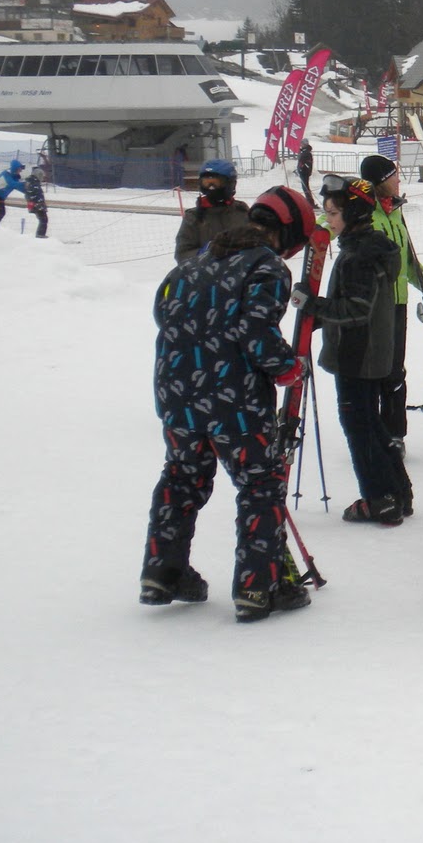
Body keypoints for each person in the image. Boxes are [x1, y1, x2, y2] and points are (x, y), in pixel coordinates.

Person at [141, 185, 316, 622]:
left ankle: (162, 574)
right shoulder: (266, 266)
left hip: (176, 394)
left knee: (182, 478)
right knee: (260, 485)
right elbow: (255, 330)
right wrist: (287, 368)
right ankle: (259, 587)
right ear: (287, 232)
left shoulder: (192, 263)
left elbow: (163, 313)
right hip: (233, 400)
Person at [293, 176, 407, 524]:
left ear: (353, 214)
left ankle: (380, 498)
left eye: (333, 213)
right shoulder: (367, 247)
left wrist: (313, 305)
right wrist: (320, 312)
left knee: (358, 426)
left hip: (357, 355)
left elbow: (356, 309)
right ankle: (398, 492)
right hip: (367, 352)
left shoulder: (359, 256)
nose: (328, 219)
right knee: (370, 422)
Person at [360, 153, 423, 495]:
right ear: (379, 182)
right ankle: (370, 431)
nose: (398, 180)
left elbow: (407, 261)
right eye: (393, 175)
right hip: (370, 306)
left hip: (397, 304)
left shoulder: (396, 211)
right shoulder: (364, 212)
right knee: (371, 371)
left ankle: (394, 434)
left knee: (395, 371)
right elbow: (329, 224)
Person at [174, 159, 248, 262]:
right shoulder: (194, 217)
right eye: (207, 183)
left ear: (230, 183)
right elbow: (182, 254)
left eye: (216, 183)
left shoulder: (242, 213)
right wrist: (207, 252)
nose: (211, 188)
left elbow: (258, 245)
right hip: (206, 270)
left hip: (239, 269)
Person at [0, 158, 26, 226]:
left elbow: (18, 187)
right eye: (19, 169)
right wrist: (25, 184)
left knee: (0, 212)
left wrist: (28, 191)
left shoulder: (15, 177)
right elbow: (12, 184)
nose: (21, 171)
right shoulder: (6, 174)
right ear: (15, 168)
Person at [24, 171, 49, 239]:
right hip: (37, 205)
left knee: (43, 219)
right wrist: (35, 203)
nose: (42, 177)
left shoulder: (33, 182)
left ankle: (40, 234)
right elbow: (31, 194)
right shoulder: (33, 183)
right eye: (41, 175)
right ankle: (40, 234)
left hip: (38, 204)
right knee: (43, 219)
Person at [296, 141, 315, 205]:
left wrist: (301, 168)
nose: (301, 145)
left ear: (305, 144)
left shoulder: (306, 152)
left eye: (302, 143)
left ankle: (310, 201)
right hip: (303, 171)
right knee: (305, 187)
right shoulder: (303, 151)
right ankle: (310, 201)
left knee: (305, 187)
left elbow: (304, 162)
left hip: (304, 172)